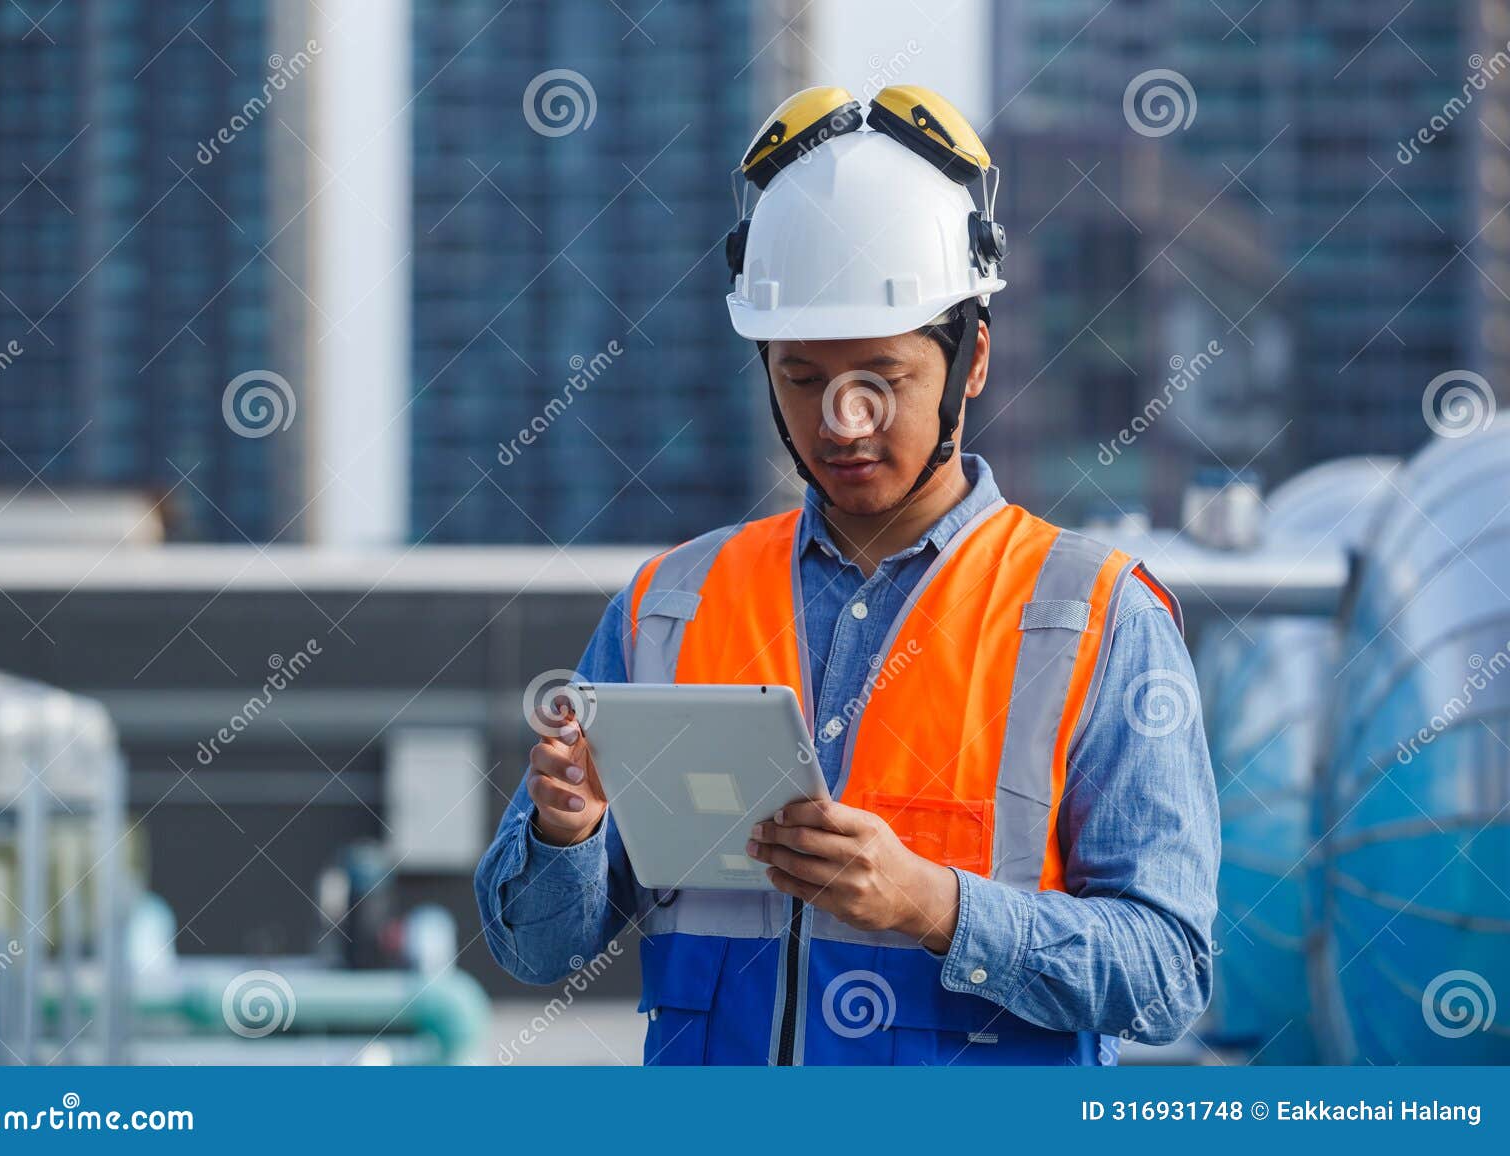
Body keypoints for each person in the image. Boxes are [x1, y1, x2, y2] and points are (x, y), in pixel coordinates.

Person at [475, 85, 1220, 1065]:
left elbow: (1169, 977)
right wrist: (564, 832)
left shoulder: (1095, 618)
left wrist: (936, 906)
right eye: (802, 377)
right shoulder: (668, 607)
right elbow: (536, 950)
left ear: (973, 360)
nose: (842, 420)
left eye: (881, 377)